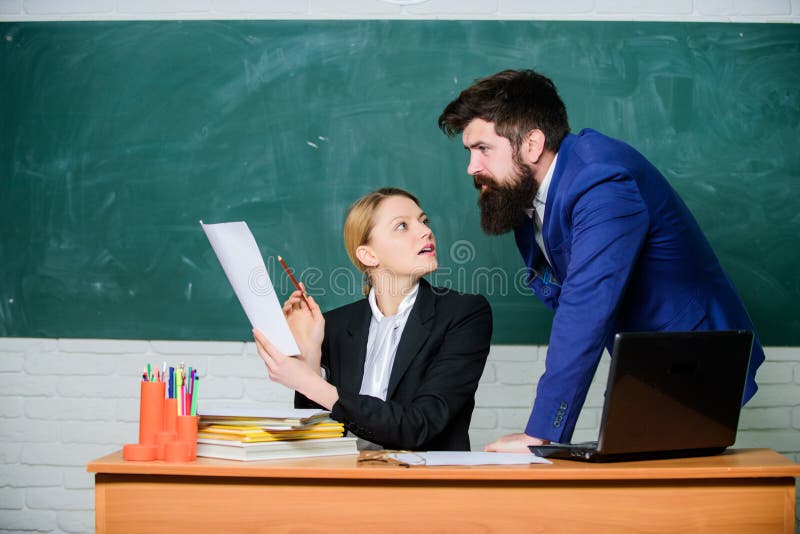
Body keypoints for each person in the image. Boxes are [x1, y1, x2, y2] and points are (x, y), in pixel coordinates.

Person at [437, 69, 764, 453]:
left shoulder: (600, 180)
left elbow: (585, 305)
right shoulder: (526, 195)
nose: (471, 167)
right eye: (469, 152)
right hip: (643, 359)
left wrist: (542, 433)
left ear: (532, 144)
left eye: (483, 149)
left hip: (695, 358)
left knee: (659, 490)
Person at [253, 187, 492, 451]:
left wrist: (307, 381)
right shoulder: (333, 326)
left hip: (423, 485)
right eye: (402, 226)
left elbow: (420, 424)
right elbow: (317, 438)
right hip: (348, 481)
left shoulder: (464, 314)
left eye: (423, 221)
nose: (426, 231)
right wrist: (310, 357)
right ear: (368, 255)